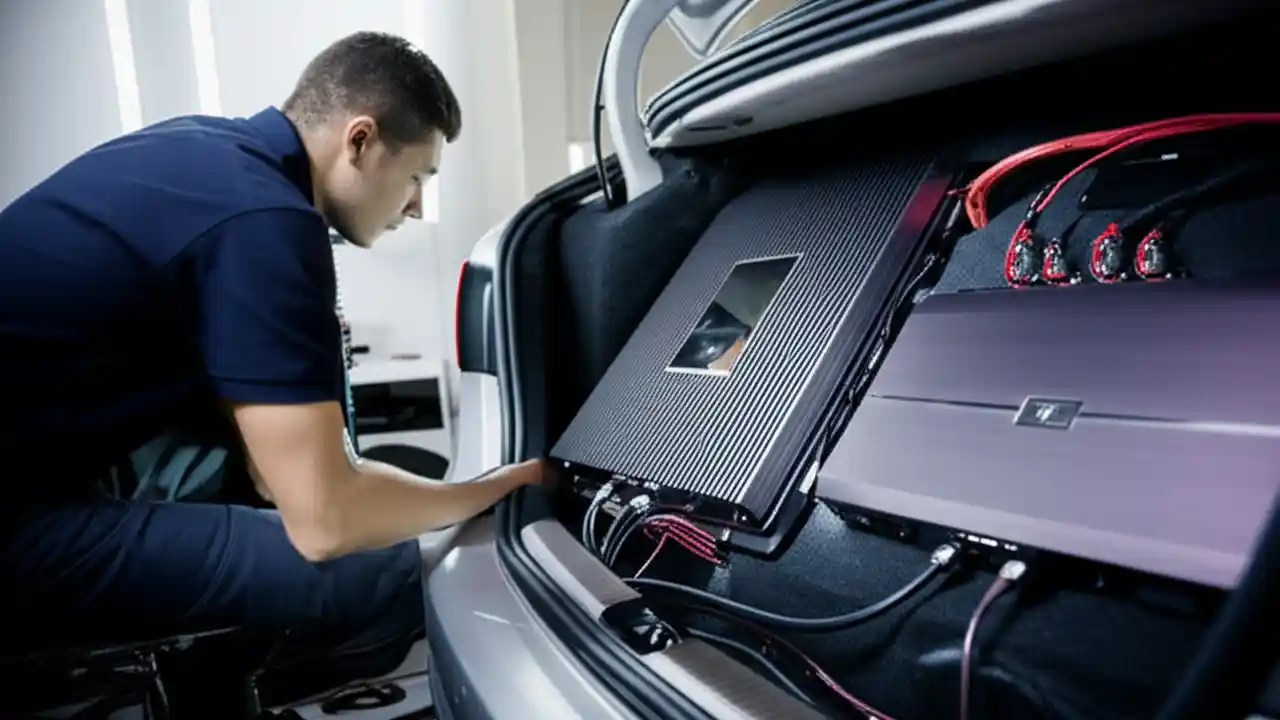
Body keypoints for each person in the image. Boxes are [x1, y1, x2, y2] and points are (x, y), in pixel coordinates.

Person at [0, 31, 548, 705]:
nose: (416, 206)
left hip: (44, 461)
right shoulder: (267, 218)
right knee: (391, 574)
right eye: (416, 177)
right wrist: (483, 492)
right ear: (360, 140)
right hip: (20, 517)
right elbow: (326, 523)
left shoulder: (204, 151)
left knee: (248, 493)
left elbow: (268, 473)